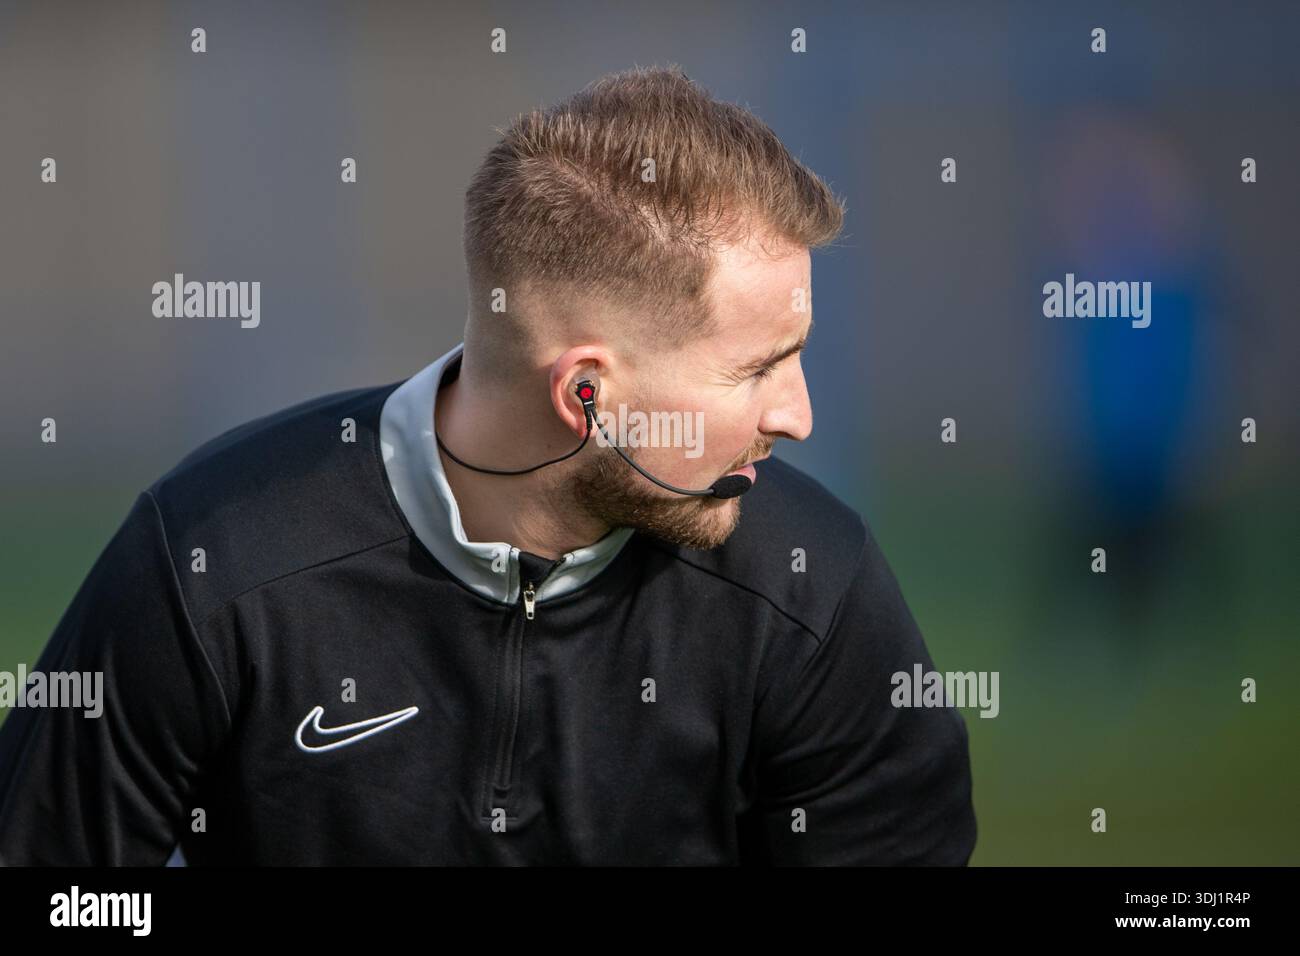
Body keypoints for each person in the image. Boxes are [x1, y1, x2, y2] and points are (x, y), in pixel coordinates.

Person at [0, 65, 975, 865]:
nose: (797, 415)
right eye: (756, 367)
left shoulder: (813, 586)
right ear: (585, 391)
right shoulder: (213, 562)